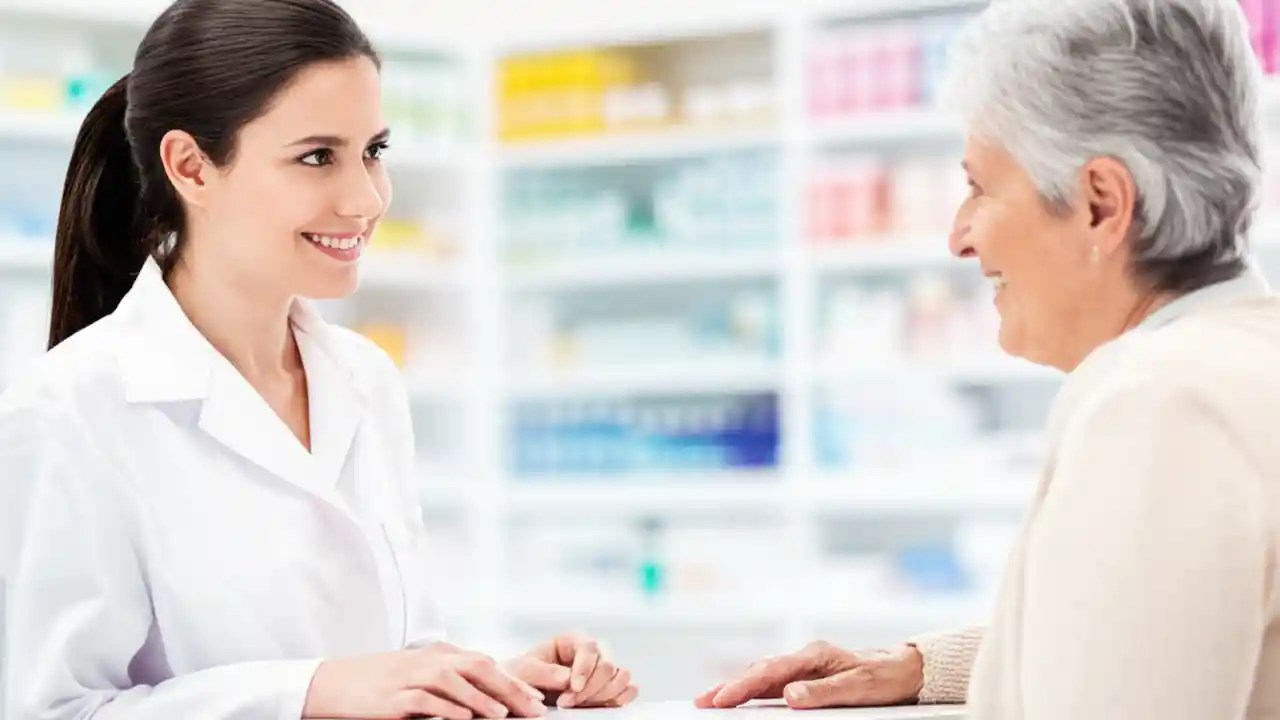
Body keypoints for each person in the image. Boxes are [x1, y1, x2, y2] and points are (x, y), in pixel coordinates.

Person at [0, 1, 638, 718]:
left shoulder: (365, 379)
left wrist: (490, 685)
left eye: (373, 151)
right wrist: (307, 693)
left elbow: (385, 663)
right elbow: (51, 710)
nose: (366, 199)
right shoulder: (71, 408)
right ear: (191, 168)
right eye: (316, 157)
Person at [697, 0, 1280, 717]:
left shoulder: (1162, 405)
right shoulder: (1249, 358)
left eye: (979, 186)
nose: (958, 237)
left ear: (1101, 203)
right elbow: (1191, 629)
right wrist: (925, 665)